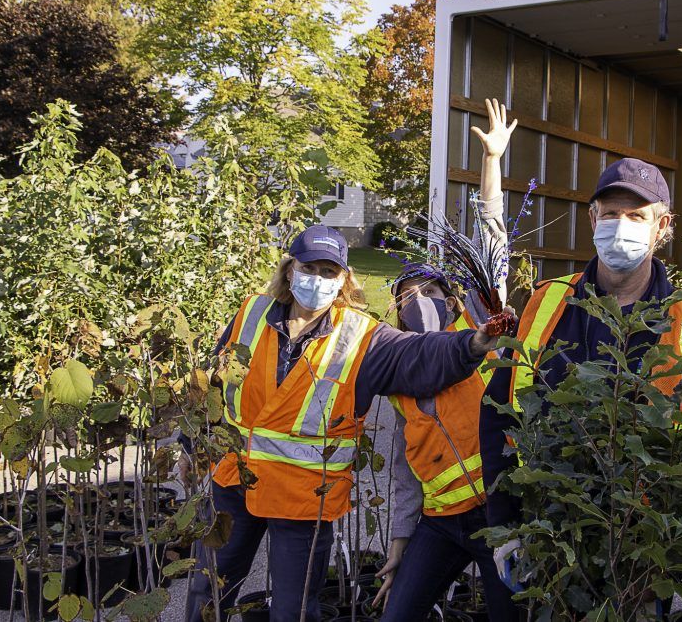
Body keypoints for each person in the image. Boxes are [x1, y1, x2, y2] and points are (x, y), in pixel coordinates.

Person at [183, 224, 505, 622]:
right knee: (207, 591)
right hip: (232, 484)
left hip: (302, 500)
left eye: (328, 272)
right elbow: (213, 386)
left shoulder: (361, 336)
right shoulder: (251, 313)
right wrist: (192, 444)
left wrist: (471, 344)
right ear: (289, 270)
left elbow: (419, 354)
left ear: (343, 281)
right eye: (308, 268)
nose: (316, 279)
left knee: (294, 611)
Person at [479, 158, 682, 582]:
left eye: (637, 216)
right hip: (543, 529)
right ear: (592, 218)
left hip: (639, 545)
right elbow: (498, 410)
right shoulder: (548, 300)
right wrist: (505, 524)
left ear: (662, 227)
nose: (621, 225)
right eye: (611, 214)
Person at [374, 100, 519, 622]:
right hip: (441, 523)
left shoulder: (481, 327)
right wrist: (397, 548)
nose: (419, 299)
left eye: (430, 288)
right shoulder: (398, 373)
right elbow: (404, 470)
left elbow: (493, 238)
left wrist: (492, 163)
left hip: (499, 515)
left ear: (453, 297)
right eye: (406, 292)